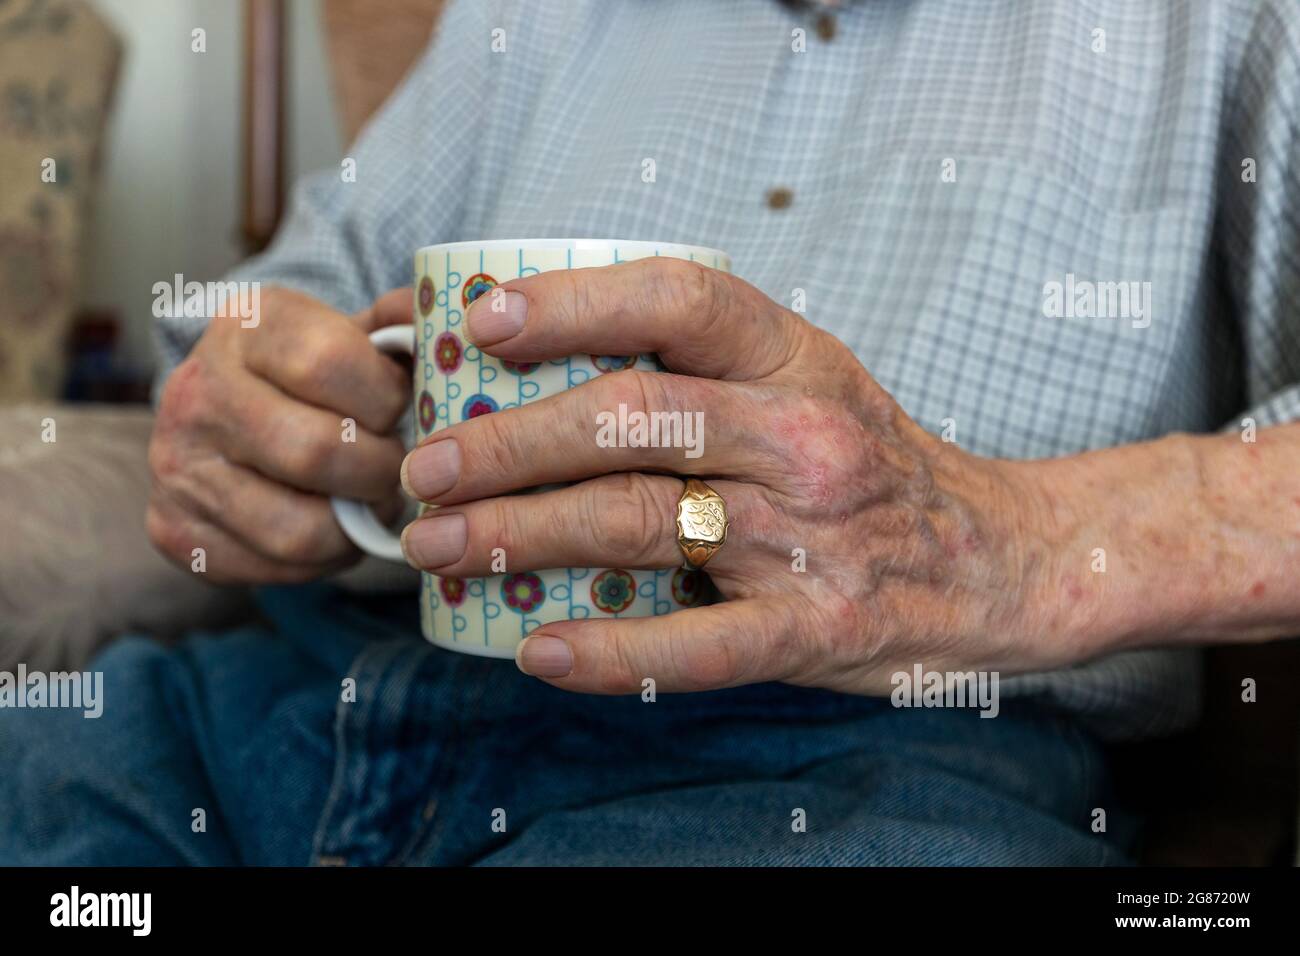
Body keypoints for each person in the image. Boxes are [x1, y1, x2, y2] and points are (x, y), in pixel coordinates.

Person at [1, 0, 1296, 865]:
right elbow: (291, 299)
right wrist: (240, 399)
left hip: (868, 766)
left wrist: (992, 544)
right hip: (299, 696)